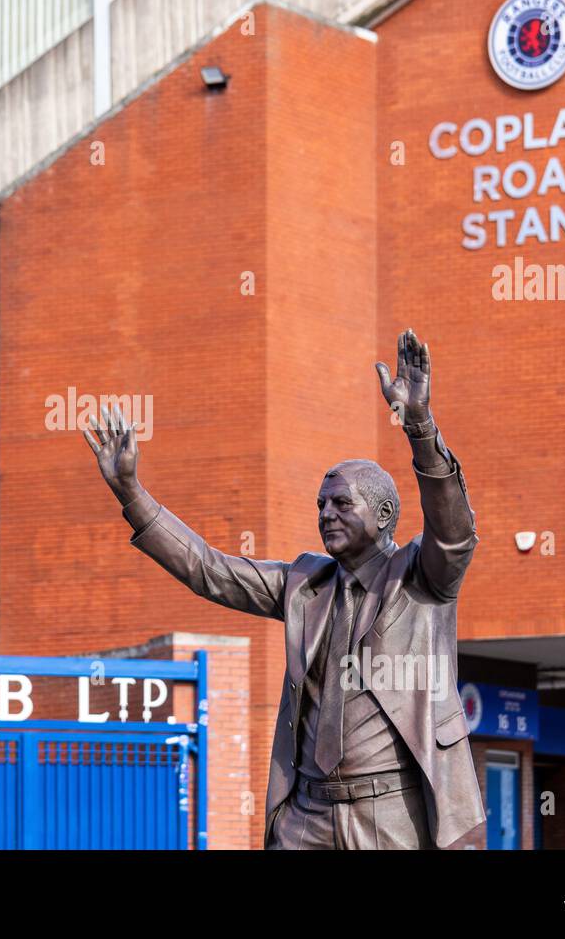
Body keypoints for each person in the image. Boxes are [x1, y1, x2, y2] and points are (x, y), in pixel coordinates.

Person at [82, 329, 485, 849]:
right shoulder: (305, 585)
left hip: (391, 815)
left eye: (341, 503)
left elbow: (454, 531)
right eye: (321, 504)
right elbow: (210, 570)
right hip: (307, 817)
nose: (325, 514)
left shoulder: (423, 578)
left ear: (384, 515)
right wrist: (133, 495)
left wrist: (419, 425)